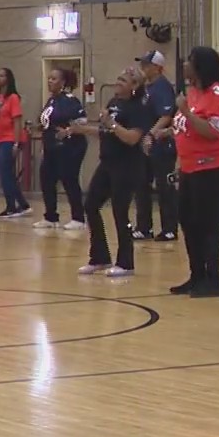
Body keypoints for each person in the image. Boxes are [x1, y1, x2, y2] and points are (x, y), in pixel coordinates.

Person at [170, 46, 219, 298]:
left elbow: (213, 131)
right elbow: (185, 128)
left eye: (189, 61)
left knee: (208, 222)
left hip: (212, 167)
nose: (185, 65)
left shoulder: (216, 93)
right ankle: (196, 275)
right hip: (189, 166)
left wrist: (185, 111)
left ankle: (213, 278)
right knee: (188, 220)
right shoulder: (193, 92)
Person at [80, 67, 150, 279]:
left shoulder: (138, 108)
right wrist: (80, 129)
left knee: (120, 211)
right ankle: (100, 256)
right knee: (91, 205)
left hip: (127, 165)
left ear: (134, 86)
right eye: (118, 78)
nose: (117, 82)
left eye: (123, 80)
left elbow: (132, 138)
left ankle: (126, 262)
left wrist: (111, 123)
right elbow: (105, 132)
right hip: (107, 163)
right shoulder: (113, 103)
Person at [133, 51, 178, 242]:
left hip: (161, 145)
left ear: (157, 67)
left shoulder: (162, 87)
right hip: (144, 145)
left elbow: (166, 115)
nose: (143, 68)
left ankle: (169, 228)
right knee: (141, 185)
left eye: (146, 64)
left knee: (164, 187)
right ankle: (144, 227)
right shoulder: (145, 88)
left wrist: (151, 134)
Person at [35, 66, 88, 230]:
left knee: (69, 179)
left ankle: (78, 218)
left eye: (54, 79)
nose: (50, 81)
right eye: (49, 78)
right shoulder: (51, 100)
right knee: (46, 179)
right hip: (52, 147)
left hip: (71, 146)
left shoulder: (70, 100)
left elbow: (82, 120)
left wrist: (68, 131)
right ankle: (50, 217)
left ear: (63, 82)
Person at [0, 67, 30, 218]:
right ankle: (23, 204)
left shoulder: (13, 97)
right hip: (0, 138)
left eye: (2, 75)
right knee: (7, 174)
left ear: (8, 78)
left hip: (10, 139)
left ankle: (11, 206)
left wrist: (16, 143)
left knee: (5, 173)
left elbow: (17, 121)